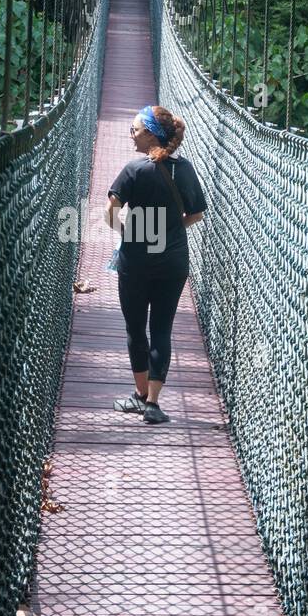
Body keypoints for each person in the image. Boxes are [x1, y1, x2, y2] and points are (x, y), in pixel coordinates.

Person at [105, 104, 207, 424]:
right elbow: (196, 215)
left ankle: (138, 395)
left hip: (135, 262)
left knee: (136, 328)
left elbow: (110, 212)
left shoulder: (135, 170)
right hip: (173, 262)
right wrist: (170, 230)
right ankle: (152, 403)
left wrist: (132, 232)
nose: (131, 135)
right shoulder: (186, 169)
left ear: (150, 134)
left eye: (134, 129)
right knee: (161, 328)